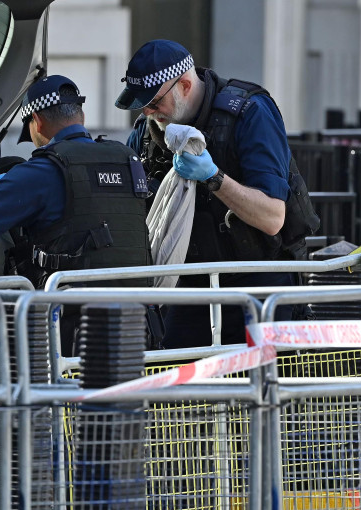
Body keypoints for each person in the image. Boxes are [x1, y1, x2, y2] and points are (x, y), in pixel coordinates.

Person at [115, 39, 319, 349]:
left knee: (264, 394)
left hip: (259, 281)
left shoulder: (250, 113)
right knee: (177, 390)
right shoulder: (147, 131)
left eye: (154, 102)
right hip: (190, 287)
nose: (147, 111)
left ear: (184, 85)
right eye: (142, 104)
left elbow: (273, 217)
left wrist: (214, 178)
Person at [0, 75, 152, 290]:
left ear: (37, 122)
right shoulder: (126, 159)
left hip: (74, 321)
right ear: (81, 116)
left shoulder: (42, 170)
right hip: (138, 315)